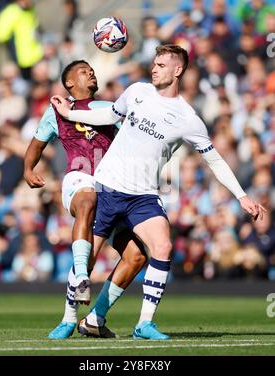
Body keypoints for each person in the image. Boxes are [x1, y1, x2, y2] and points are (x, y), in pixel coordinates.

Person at [51, 44, 266, 340]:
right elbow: (110, 116)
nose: (154, 68)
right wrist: (69, 111)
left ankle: (142, 324)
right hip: (109, 187)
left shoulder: (188, 118)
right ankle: (68, 318)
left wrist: (241, 195)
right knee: (87, 257)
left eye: (161, 65)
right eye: (154, 64)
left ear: (178, 70)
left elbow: (213, 158)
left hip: (144, 195)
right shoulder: (137, 91)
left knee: (162, 247)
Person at [24, 60, 147, 339]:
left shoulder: (110, 109)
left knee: (136, 256)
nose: (90, 72)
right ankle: (75, 296)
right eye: (83, 70)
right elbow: (36, 144)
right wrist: (28, 169)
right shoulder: (56, 110)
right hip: (79, 178)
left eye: (91, 69)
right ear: (69, 83)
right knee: (86, 200)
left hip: (113, 186)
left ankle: (94, 318)